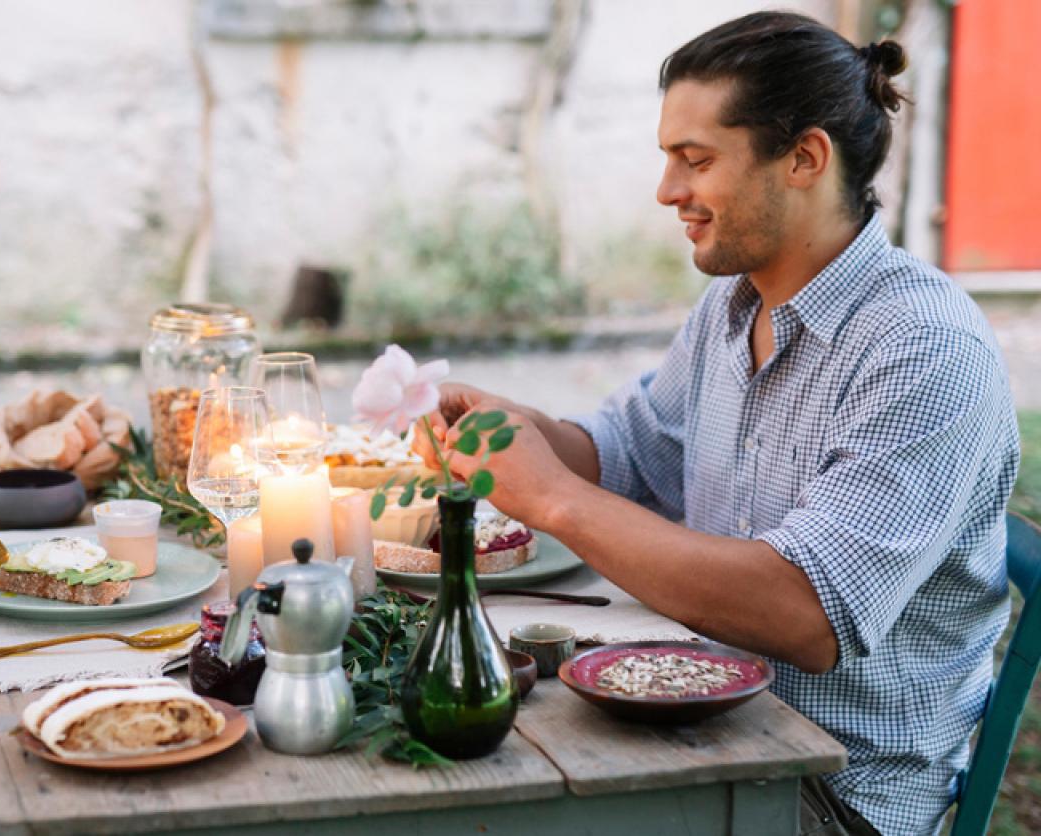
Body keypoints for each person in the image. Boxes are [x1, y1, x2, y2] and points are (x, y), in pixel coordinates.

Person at [421, 13, 1019, 836]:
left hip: (829, 792)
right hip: (693, 717)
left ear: (805, 159)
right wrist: (514, 428)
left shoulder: (924, 351)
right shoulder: (734, 306)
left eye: (695, 161)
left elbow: (805, 613)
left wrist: (552, 499)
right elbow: (626, 453)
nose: (668, 192)